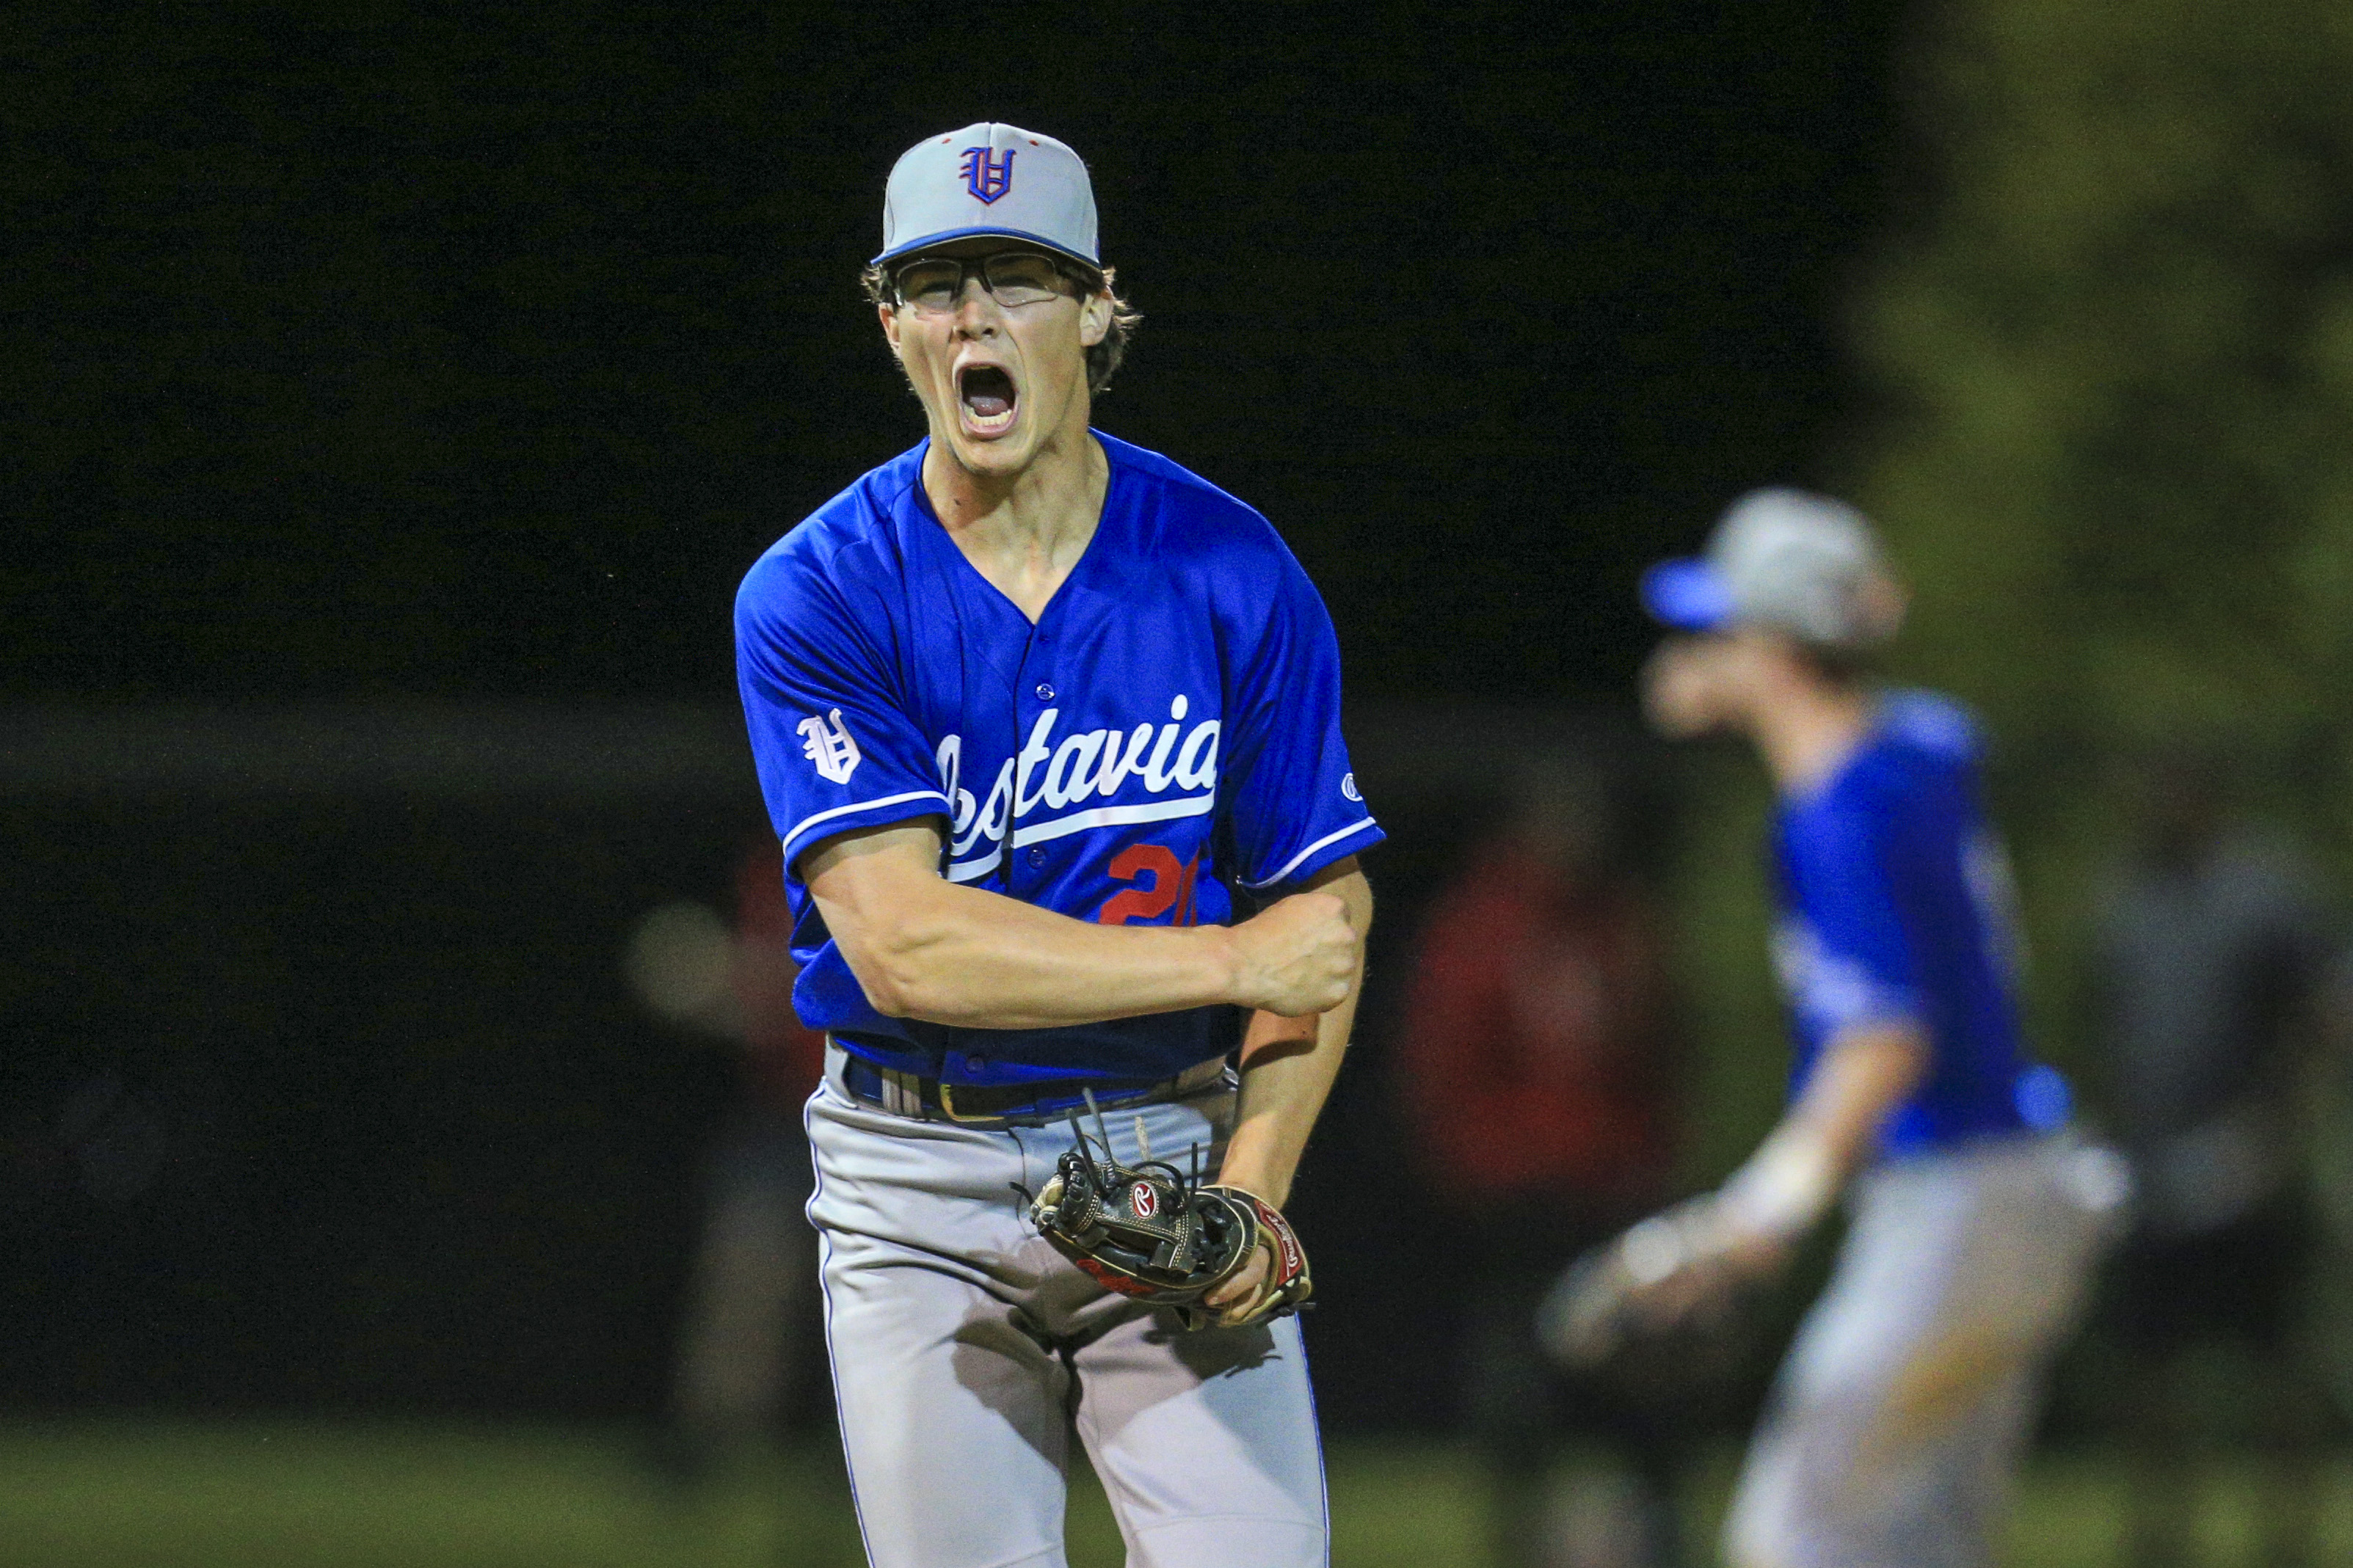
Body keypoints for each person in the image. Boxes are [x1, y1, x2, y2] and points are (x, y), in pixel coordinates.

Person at [732, 124, 1379, 1568]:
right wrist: (1229, 954)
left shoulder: (1228, 566)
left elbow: (1322, 926)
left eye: (1017, 279)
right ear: (889, 320)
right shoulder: (818, 593)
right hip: (914, 1184)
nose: (976, 318)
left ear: (1095, 309)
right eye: (938, 283)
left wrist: (1251, 1196)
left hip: (1172, 1143)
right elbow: (904, 947)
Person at [1552, 489, 2125, 1568]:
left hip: (1951, 1196)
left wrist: (1755, 1216)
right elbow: (1926, 723)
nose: (1687, 653)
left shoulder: (1833, 813)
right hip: (2035, 1186)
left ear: (1774, 650)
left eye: (1715, 631)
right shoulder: (1916, 752)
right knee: (1923, 1541)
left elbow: (1881, 1039)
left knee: (1797, 1540)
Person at [1396, 762, 1688, 1567]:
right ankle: (1519, 1537)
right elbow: (1443, 1063)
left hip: (1612, 1189)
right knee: (1520, 1381)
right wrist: (1486, 1169)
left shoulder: (1614, 923)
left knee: (1642, 1378)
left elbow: (1655, 1054)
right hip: (1520, 1198)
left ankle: (1654, 1533)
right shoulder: (1485, 922)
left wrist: (1646, 1161)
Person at [2088, 751, 2332, 1568]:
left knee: (2274, 1368)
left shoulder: (2265, 894)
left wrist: (2275, 1133)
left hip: (2249, 1164)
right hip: (2150, 1166)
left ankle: (2285, 1541)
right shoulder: (2123, 902)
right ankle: (2158, 1539)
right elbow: (2107, 1030)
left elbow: (2315, 1020)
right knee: (2150, 1372)